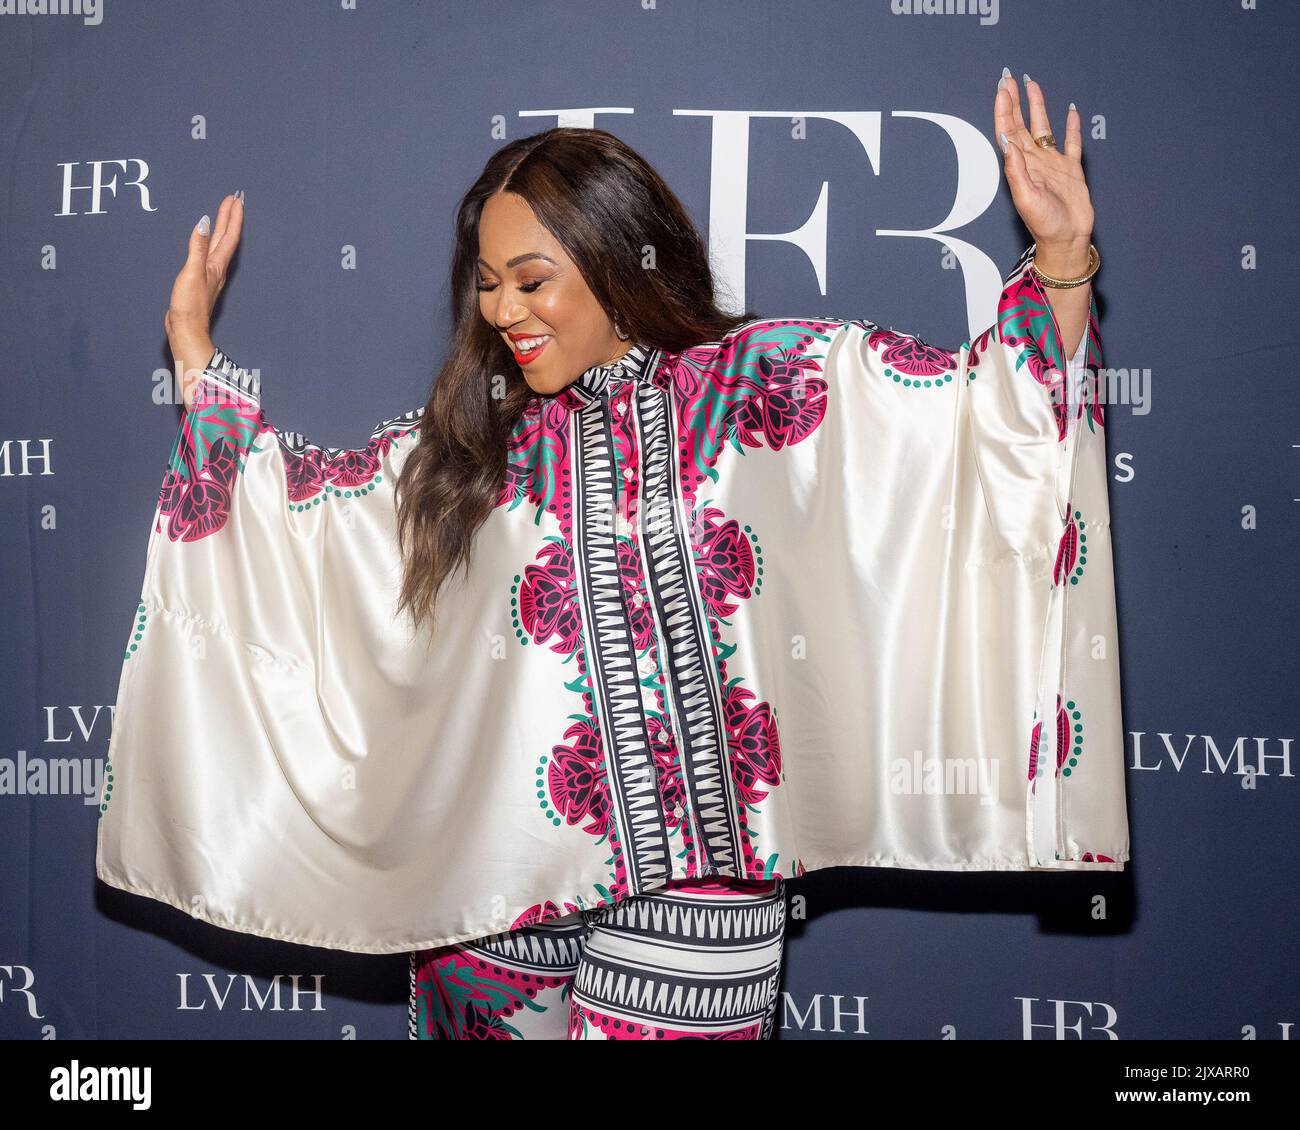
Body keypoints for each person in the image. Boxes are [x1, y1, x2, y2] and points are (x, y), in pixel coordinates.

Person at [97, 73, 1127, 1040]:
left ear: (616, 257)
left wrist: (1061, 259)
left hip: (703, 891)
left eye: (530, 279)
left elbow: (984, 423)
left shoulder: (767, 386)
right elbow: (298, 522)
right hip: (493, 887)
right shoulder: (468, 447)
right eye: (487, 284)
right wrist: (196, 356)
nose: (502, 310)